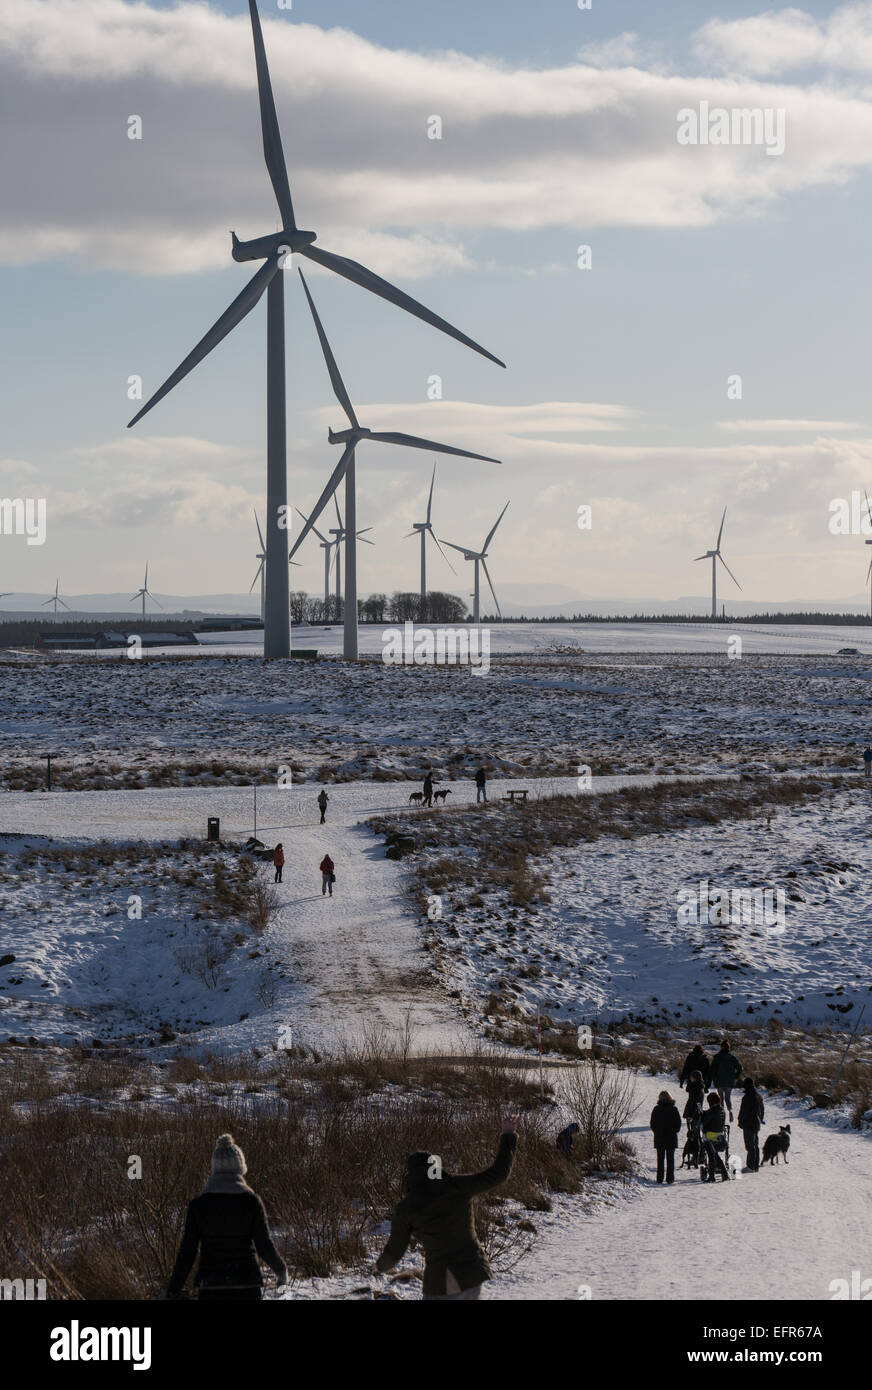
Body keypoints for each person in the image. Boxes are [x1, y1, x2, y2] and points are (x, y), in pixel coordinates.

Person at [374, 1117, 519, 1300]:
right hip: (470, 1273)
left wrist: (380, 1266)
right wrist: (508, 1135)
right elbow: (498, 1174)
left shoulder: (407, 1207)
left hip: (438, 1282)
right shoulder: (456, 1186)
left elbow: (396, 1250)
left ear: (410, 1174)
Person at [166, 1134, 287, 1300]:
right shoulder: (251, 1202)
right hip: (247, 1284)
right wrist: (280, 1270)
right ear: (240, 1168)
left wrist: (174, 1288)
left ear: (214, 1169)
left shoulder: (199, 1205)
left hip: (211, 1286)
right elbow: (264, 1244)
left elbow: (188, 1251)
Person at [649, 1090, 682, 1184]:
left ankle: (659, 1178)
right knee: (670, 1159)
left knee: (660, 1159)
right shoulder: (674, 1109)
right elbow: (678, 1124)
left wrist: (656, 1131)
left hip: (659, 1137)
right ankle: (670, 1178)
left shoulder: (656, 1109)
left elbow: (652, 1124)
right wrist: (674, 1131)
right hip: (671, 1137)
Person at [699, 1093, 731, 1183]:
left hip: (710, 1136)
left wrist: (702, 1115)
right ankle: (724, 1173)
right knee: (715, 1154)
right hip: (720, 1137)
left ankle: (712, 1176)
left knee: (711, 1155)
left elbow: (705, 1120)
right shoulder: (721, 1110)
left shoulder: (712, 1111)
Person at [737, 1076, 765, 1172]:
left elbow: (743, 1111)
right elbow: (762, 1110)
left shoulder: (747, 1097)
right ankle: (755, 1165)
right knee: (755, 1144)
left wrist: (740, 1121)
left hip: (748, 1123)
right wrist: (760, 1119)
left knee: (750, 1145)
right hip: (756, 1123)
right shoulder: (758, 1096)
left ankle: (750, 1166)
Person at [710, 1039, 742, 1121]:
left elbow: (712, 1069)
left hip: (719, 1081)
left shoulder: (717, 1057)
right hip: (729, 1081)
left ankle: (722, 1114)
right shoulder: (732, 1058)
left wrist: (713, 1078)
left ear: (721, 1047)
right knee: (728, 1098)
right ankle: (730, 1111)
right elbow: (740, 1069)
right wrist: (735, 1077)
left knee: (720, 1098)